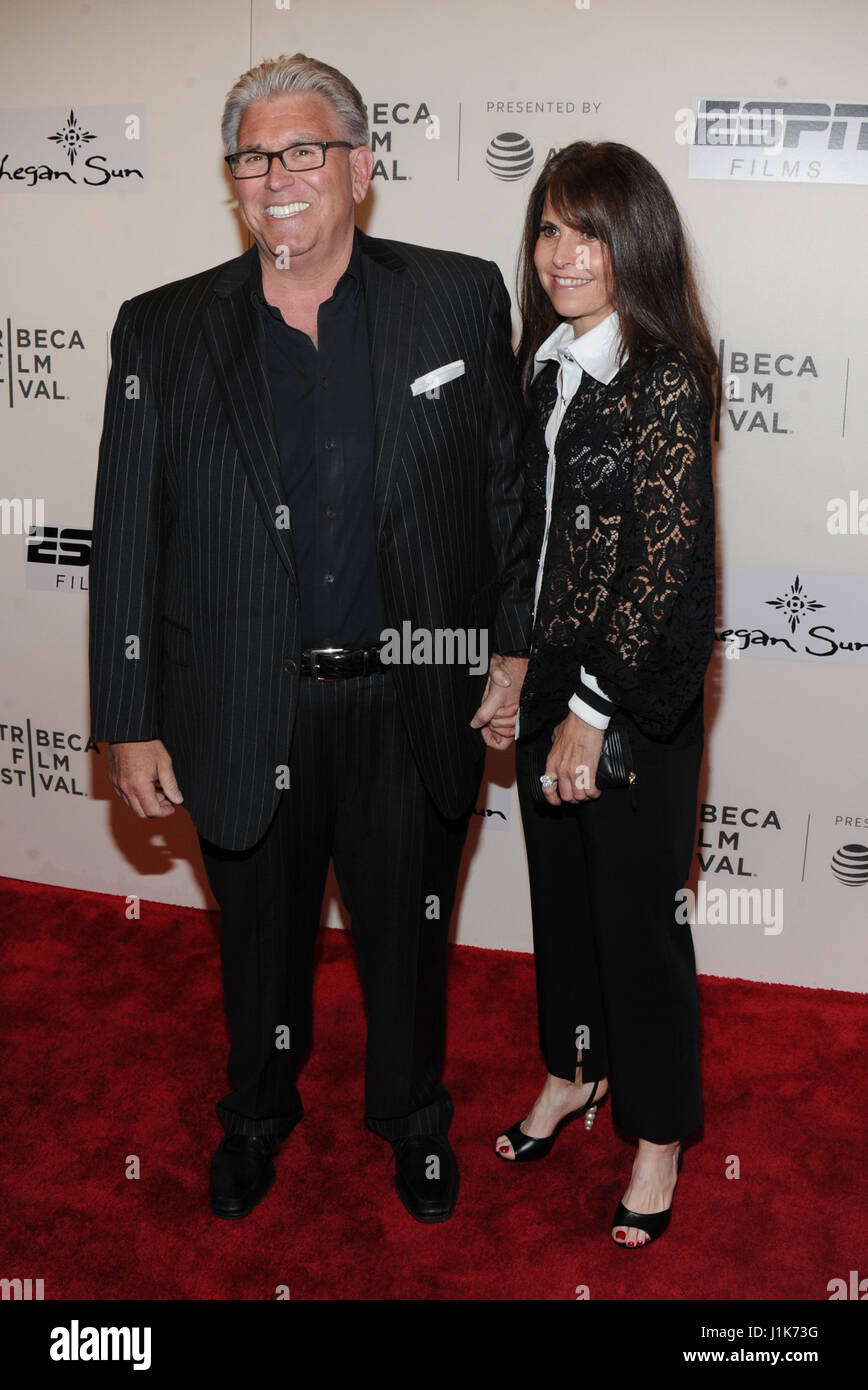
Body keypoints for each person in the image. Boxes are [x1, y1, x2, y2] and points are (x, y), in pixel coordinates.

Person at [89, 52, 533, 1226]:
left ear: (360, 169)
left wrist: (514, 647)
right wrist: (125, 718)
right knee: (259, 951)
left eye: (302, 151)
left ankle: (412, 1120)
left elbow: (506, 494)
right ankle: (256, 1116)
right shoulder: (161, 330)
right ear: (233, 182)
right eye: (252, 156)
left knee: (409, 940)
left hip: (410, 702)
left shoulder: (455, 297)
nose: (276, 176)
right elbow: (127, 535)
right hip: (242, 700)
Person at [490, 141, 716, 1248]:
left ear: (636, 243)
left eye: (587, 231)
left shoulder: (660, 377)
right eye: (547, 229)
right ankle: (574, 1071)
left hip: (628, 705)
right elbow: (536, 548)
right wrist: (513, 667)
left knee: (638, 926)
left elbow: (658, 564)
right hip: (552, 688)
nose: (561, 254)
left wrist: (586, 708)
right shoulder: (547, 365)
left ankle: (661, 1131)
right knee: (563, 912)